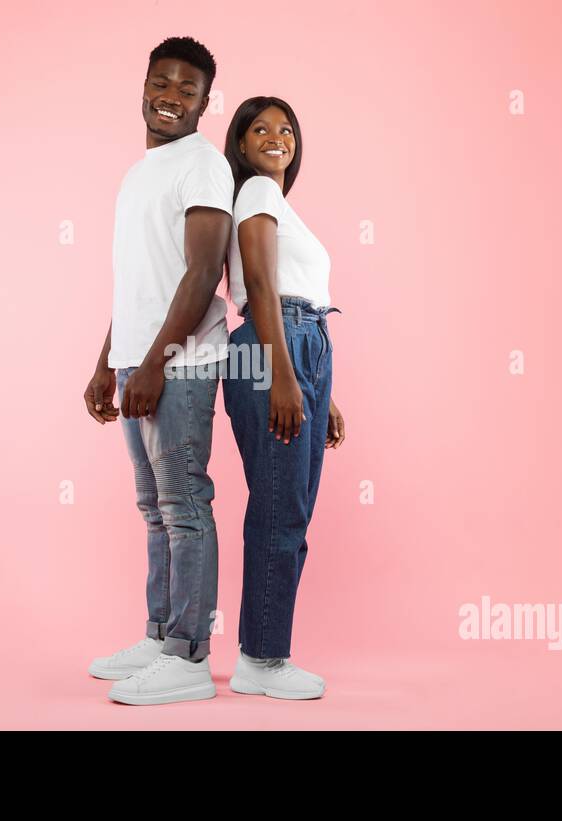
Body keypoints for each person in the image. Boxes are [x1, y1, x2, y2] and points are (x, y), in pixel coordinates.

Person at [82, 36, 233, 706]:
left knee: (183, 505)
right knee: (154, 509)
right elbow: (142, 282)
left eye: (187, 90)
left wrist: (153, 363)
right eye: (162, 83)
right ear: (144, 83)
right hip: (139, 364)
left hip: (182, 363)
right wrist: (105, 362)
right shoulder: (140, 170)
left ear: (204, 102)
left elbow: (202, 274)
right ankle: (157, 635)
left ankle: (189, 655)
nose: (171, 97)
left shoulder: (201, 165)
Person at [221, 96, 345, 700]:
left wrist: (323, 392)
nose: (277, 137)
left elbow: (295, 291)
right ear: (241, 144)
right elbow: (264, 285)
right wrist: (284, 375)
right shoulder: (257, 193)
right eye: (261, 128)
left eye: (287, 128)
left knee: (288, 504)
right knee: (279, 505)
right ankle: (262, 660)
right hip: (276, 345)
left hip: (300, 343)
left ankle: (262, 652)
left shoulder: (278, 203)